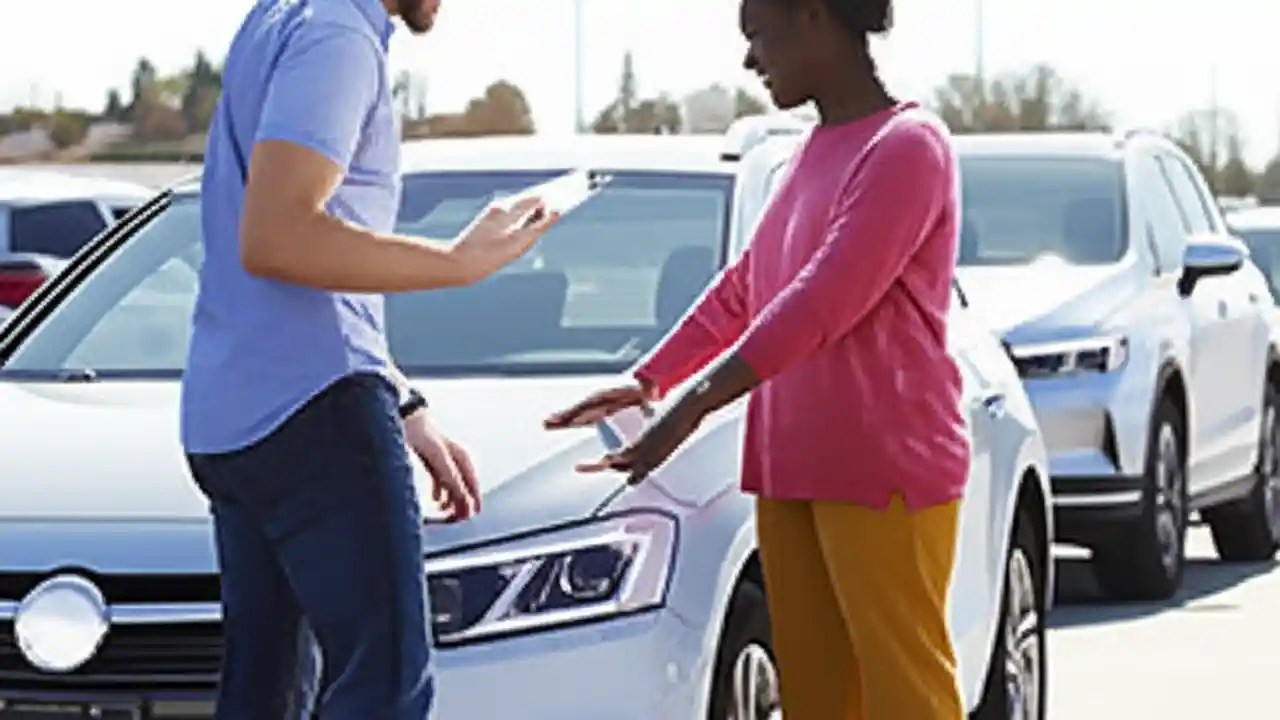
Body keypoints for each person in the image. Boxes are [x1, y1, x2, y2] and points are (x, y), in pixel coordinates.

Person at [545, 0, 968, 717]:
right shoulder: (808, 154)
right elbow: (750, 283)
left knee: (906, 696)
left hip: (882, 468)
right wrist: (648, 378)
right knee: (815, 698)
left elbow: (819, 303)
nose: (750, 62)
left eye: (758, 38)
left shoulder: (907, 146)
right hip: (791, 464)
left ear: (812, 18)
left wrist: (690, 407)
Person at [180, 0, 557, 718]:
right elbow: (277, 236)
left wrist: (401, 399)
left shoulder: (280, 17)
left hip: (236, 414)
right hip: (313, 411)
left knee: (264, 698)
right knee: (383, 690)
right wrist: (457, 263)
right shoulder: (337, 34)